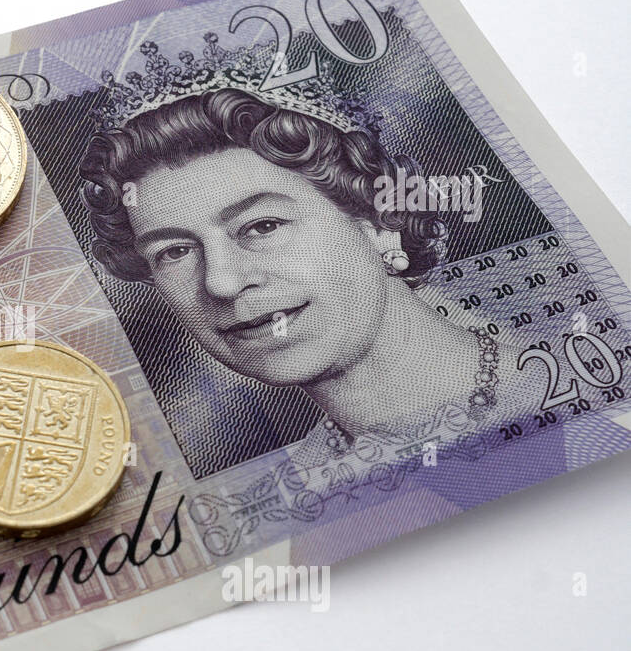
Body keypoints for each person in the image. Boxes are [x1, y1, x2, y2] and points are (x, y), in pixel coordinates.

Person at [79, 88, 543, 460]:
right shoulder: (303, 486)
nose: (221, 283)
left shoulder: (570, 374)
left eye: (262, 226)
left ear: (381, 224)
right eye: (175, 251)